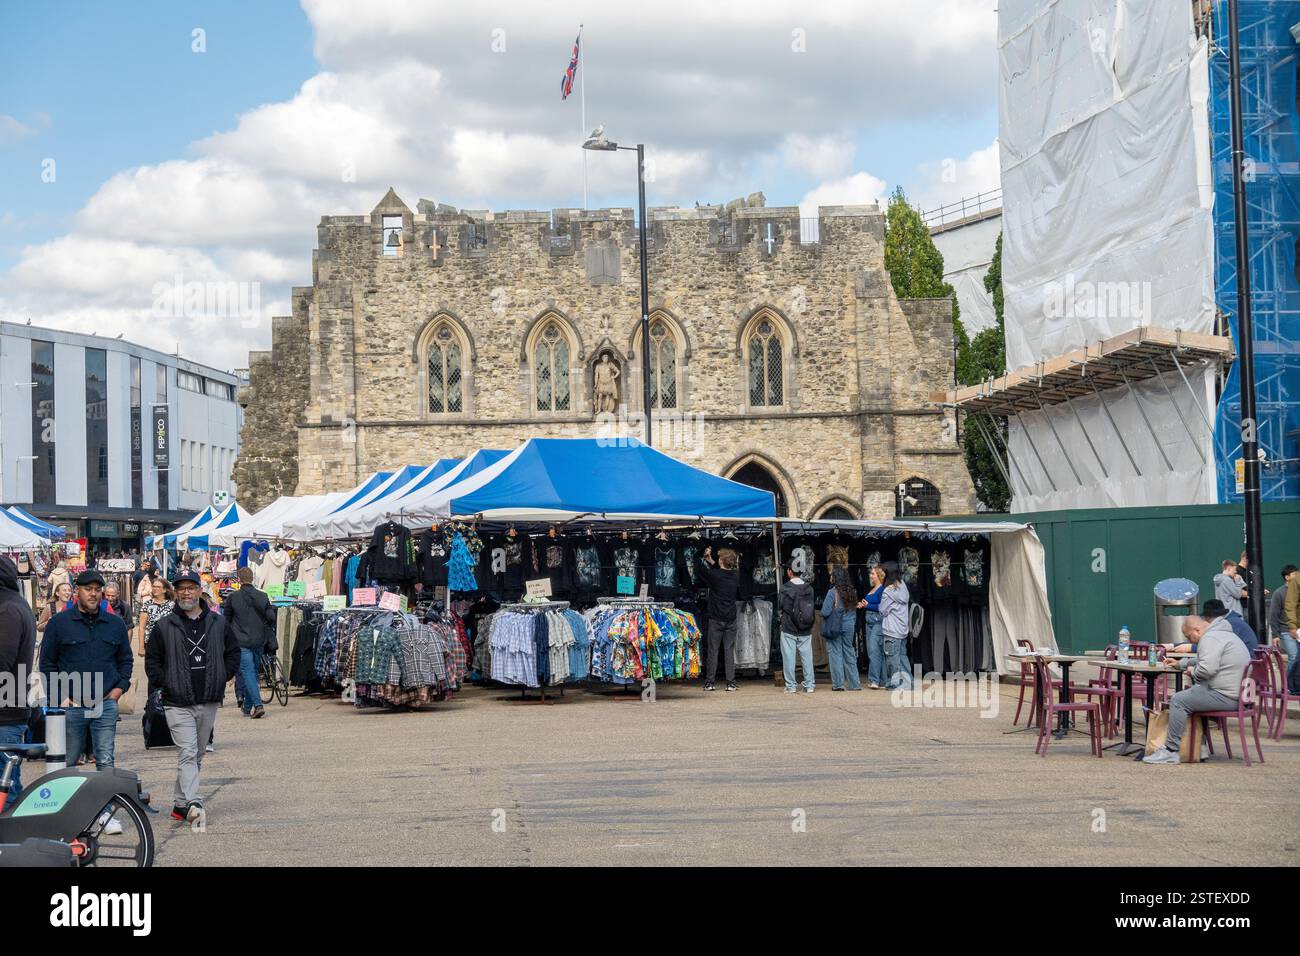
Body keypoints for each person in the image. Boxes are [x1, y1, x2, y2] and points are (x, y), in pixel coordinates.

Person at [145, 570, 239, 823]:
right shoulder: (165, 625)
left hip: (208, 698)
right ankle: (194, 802)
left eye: (191, 587)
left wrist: (224, 675)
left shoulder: (218, 623)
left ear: (200, 590)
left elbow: (233, 652)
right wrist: (165, 684)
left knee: (197, 754)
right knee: (187, 752)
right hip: (177, 701)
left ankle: (179, 803)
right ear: (175, 592)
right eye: (181, 588)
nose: (186, 592)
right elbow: (152, 660)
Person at [38, 570, 133, 772]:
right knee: (67, 763)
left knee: (106, 762)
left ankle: (105, 804)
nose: (93, 594)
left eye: (98, 590)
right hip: (71, 706)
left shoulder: (115, 623)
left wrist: (119, 690)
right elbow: (47, 665)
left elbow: (125, 660)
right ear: (77, 592)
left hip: (105, 703)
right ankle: (66, 804)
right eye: (88, 589)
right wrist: (61, 698)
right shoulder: (58, 624)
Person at [1143, 613, 1251, 765]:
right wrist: (1181, 663)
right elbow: (1206, 659)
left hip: (1226, 697)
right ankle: (1199, 748)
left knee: (1178, 700)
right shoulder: (1224, 634)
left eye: (1188, 636)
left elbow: (1206, 669)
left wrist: (1192, 672)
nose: (1189, 641)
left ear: (1197, 630)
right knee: (1192, 696)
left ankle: (1171, 751)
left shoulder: (1210, 638)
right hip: (1239, 696)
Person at [0, 555, 36, 806]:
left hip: (5, 714)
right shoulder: (15, 604)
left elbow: (1, 661)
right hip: (10, 711)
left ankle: (12, 844)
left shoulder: (8, 609)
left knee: (6, 792)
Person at [224, 567, 276, 718]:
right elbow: (271, 617)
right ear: (253, 578)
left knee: (248, 672)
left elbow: (226, 620)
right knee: (251, 673)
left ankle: (258, 705)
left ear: (239, 579)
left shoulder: (233, 598)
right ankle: (247, 707)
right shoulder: (263, 596)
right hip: (259, 640)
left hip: (241, 640)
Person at [696, 546, 740, 692]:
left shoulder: (715, 576)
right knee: (729, 650)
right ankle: (731, 683)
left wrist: (703, 557)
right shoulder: (735, 575)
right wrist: (711, 561)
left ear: (721, 561)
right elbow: (720, 571)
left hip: (716, 618)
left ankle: (710, 682)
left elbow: (701, 570)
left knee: (713, 650)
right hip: (731, 618)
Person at [820, 567, 862, 691]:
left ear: (836, 578)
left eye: (832, 575)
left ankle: (838, 684)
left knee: (835, 653)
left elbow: (825, 611)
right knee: (849, 652)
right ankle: (855, 684)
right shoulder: (852, 591)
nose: (830, 577)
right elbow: (854, 611)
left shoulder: (832, 592)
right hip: (849, 625)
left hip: (835, 626)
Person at [779, 565, 815, 694]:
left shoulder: (785, 588)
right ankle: (809, 684)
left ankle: (791, 686)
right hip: (806, 626)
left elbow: (781, 605)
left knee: (789, 657)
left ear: (789, 571)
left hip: (789, 626)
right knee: (807, 657)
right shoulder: (809, 588)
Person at [879, 565, 914, 690]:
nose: (881, 574)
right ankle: (908, 684)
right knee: (903, 658)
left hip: (891, 630)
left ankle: (895, 685)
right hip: (902, 630)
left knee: (892, 660)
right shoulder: (903, 585)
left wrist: (890, 607)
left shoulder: (887, 591)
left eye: (883, 572)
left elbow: (882, 610)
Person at [859, 564, 887, 689]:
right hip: (869, 621)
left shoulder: (882, 589)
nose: (870, 576)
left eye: (872, 574)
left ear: (879, 576)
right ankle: (882, 680)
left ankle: (874, 680)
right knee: (875, 651)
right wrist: (862, 605)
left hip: (877, 621)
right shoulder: (873, 588)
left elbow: (882, 607)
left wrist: (867, 606)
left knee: (874, 651)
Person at [136, 578, 175, 656]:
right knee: (152, 667)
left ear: (164, 590)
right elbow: (141, 628)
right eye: (153, 586)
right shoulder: (147, 605)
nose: (155, 589)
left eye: (158, 587)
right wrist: (141, 647)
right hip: (151, 643)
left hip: (168, 643)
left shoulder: (172, 605)